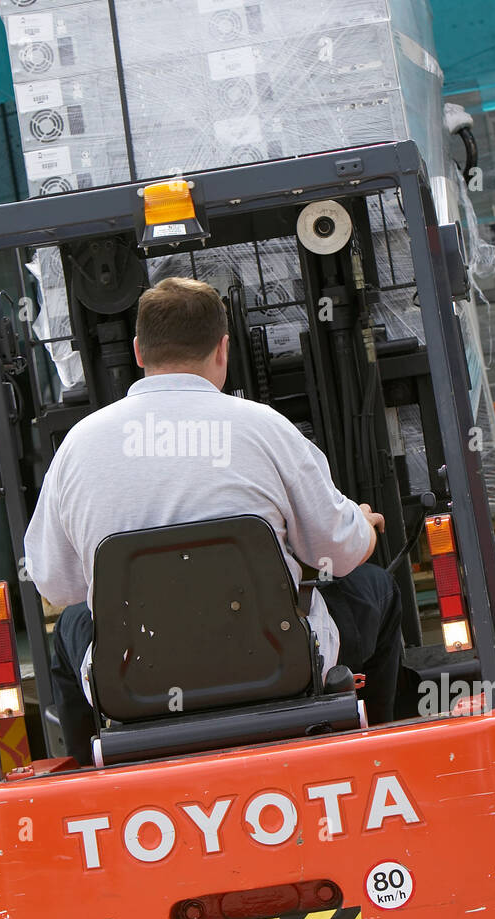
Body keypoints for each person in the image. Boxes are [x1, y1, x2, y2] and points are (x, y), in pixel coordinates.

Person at [24, 277, 401, 763]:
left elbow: (57, 588)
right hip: (274, 664)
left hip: (137, 679)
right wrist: (363, 529)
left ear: (138, 351)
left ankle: (91, 781)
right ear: (223, 350)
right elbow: (339, 553)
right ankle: (385, 763)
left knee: (74, 624)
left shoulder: (77, 447)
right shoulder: (265, 428)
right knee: (377, 589)